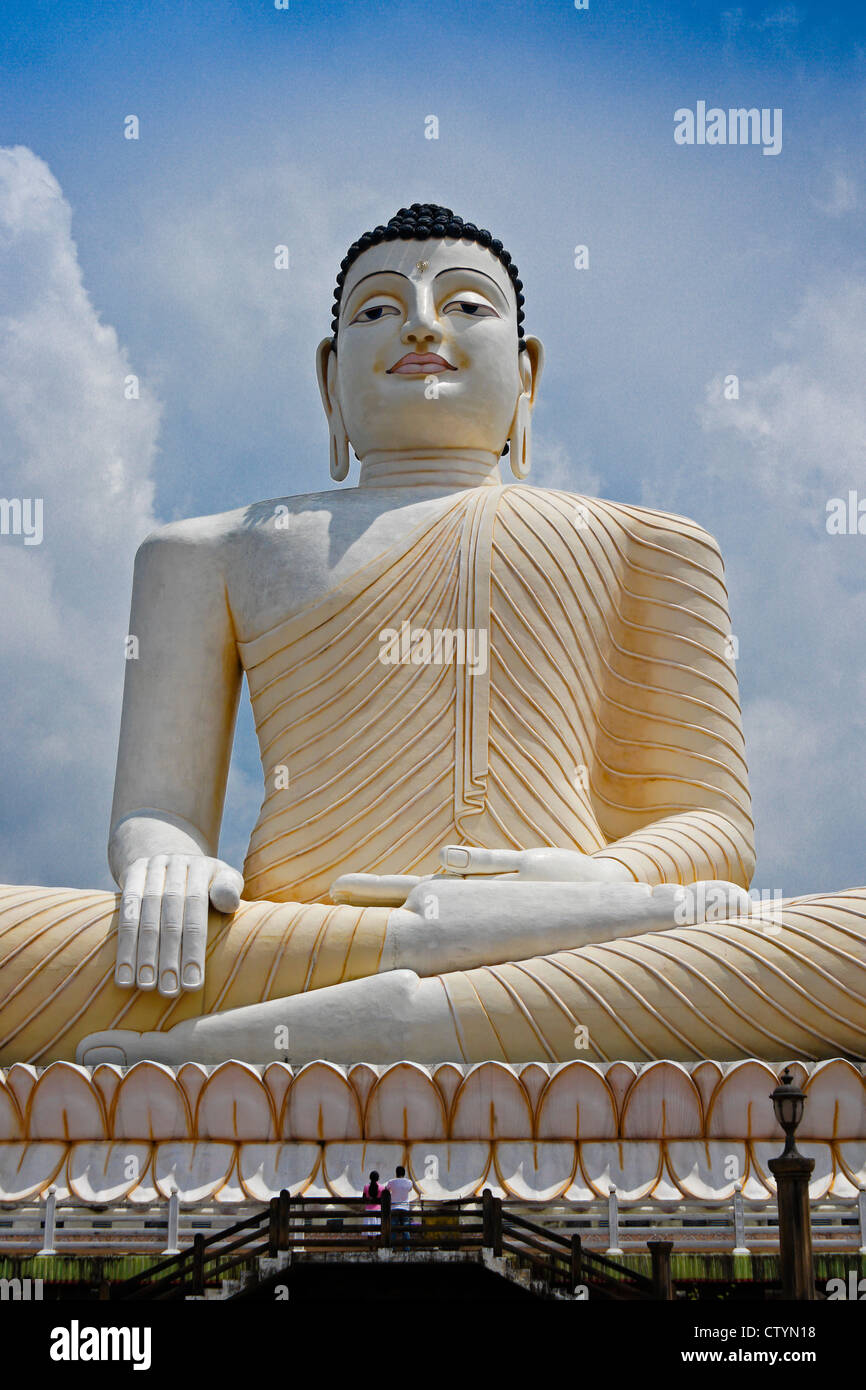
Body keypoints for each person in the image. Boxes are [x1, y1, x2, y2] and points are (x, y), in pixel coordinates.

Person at [387, 1166, 414, 1248]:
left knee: (393, 1230)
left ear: (396, 1173)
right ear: (404, 1173)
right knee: (405, 1230)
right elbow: (410, 1189)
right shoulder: (409, 1182)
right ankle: (407, 1248)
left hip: (394, 1208)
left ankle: (392, 1248)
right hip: (405, 1208)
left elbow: (386, 1190)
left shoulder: (391, 1182)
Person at [362, 1170, 382, 1237]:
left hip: (368, 1210)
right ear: (378, 1178)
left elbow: (364, 1198)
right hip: (378, 1210)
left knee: (369, 1231)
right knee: (378, 1231)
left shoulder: (366, 1187)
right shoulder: (381, 1187)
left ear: (370, 1177)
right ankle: (377, 1247)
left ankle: (371, 1247)